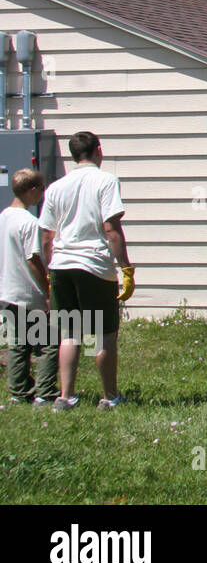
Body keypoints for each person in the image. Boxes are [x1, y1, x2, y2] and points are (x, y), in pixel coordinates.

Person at [37, 131, 133, 411]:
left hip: (61, 265)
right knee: (103, 334)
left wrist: (48, 270)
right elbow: (111, 229)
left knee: (70, 333)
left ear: (72, 154)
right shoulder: (106, 181)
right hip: (94, 265)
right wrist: (126, 267)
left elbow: (46, 236)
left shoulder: (56, 187)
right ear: (98, 151)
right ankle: (110, 396)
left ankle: (65, 397)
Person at [0, 170, 57, 406]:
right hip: (28, 291)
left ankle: (19, 391)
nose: (42, 194)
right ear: (31, 190)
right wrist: (46, 290)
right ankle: (44, 393)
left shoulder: (4, 217)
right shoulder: (30, 223)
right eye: (41, 189)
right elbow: (33, 259)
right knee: (46, 344)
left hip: (7, 290)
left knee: (18, 344)